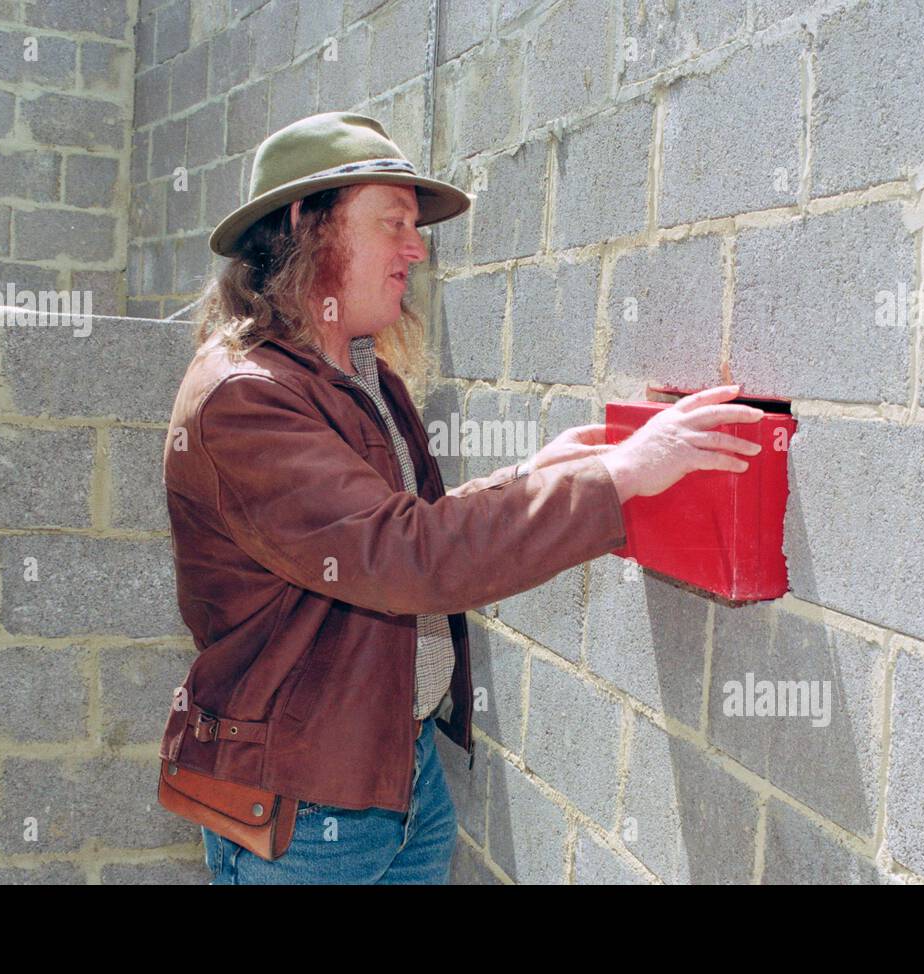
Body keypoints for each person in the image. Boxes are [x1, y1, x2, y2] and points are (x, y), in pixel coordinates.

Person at [160, 112, 765, 884]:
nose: (416, 248)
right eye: (394, 224)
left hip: (397, 773)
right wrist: (613, 480)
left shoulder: (357, 375)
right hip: (306, 812)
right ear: (304, 224)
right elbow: (406, 555)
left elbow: (406, 531)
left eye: (417, 227)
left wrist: (537, 474)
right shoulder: (247, 400)